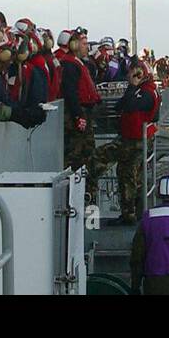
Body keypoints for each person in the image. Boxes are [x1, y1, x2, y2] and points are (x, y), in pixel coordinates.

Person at [97, 61, 160, 224]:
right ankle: (134, 213)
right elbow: (120, 106)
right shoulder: (142, 91)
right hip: (132, 139)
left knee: (126, 176)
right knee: (132, 177)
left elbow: (131, 105)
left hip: (135, 142)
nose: (130, 76)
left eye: (134, 72)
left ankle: (129, 214)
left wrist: (132, 86)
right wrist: (132, 88)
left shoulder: (147, 93)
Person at [55, 28, 109, 206]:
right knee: (78, 156)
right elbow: (70, 92)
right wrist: (79, 116)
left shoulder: (77, 62)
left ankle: (85, 192)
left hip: (84, 112)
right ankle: (78, 194)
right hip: (78, 115)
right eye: (84, 43)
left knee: (86, 155)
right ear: (74, 45)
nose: (87, 47)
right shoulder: (70, 64)